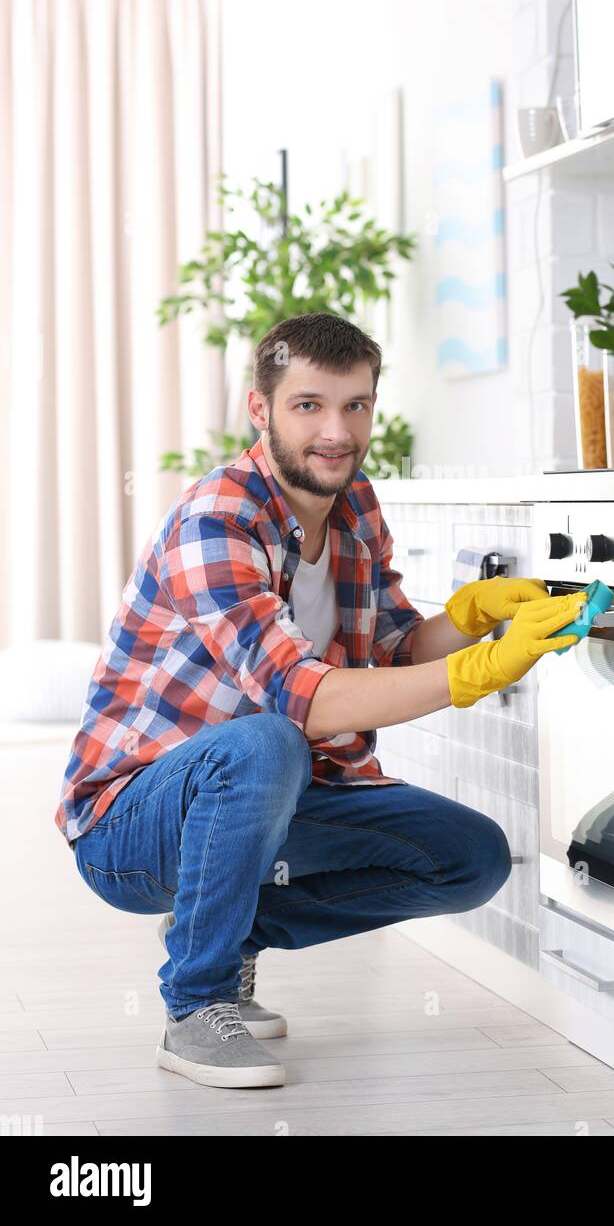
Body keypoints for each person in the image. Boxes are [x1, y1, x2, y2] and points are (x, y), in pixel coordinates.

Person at [56, 311, 583, 1088]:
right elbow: (305, 700)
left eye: (356, 405)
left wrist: (476, 617)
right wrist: (481, 673)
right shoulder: (216, 522)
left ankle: (222, 933)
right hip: (132, 821)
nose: (337, 431)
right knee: (270, 738)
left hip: (279, 794)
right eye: (309, 405)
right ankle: (195, 1007)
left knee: (468, 858)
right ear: (260, 410)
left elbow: (393, 646)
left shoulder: (355, 506)